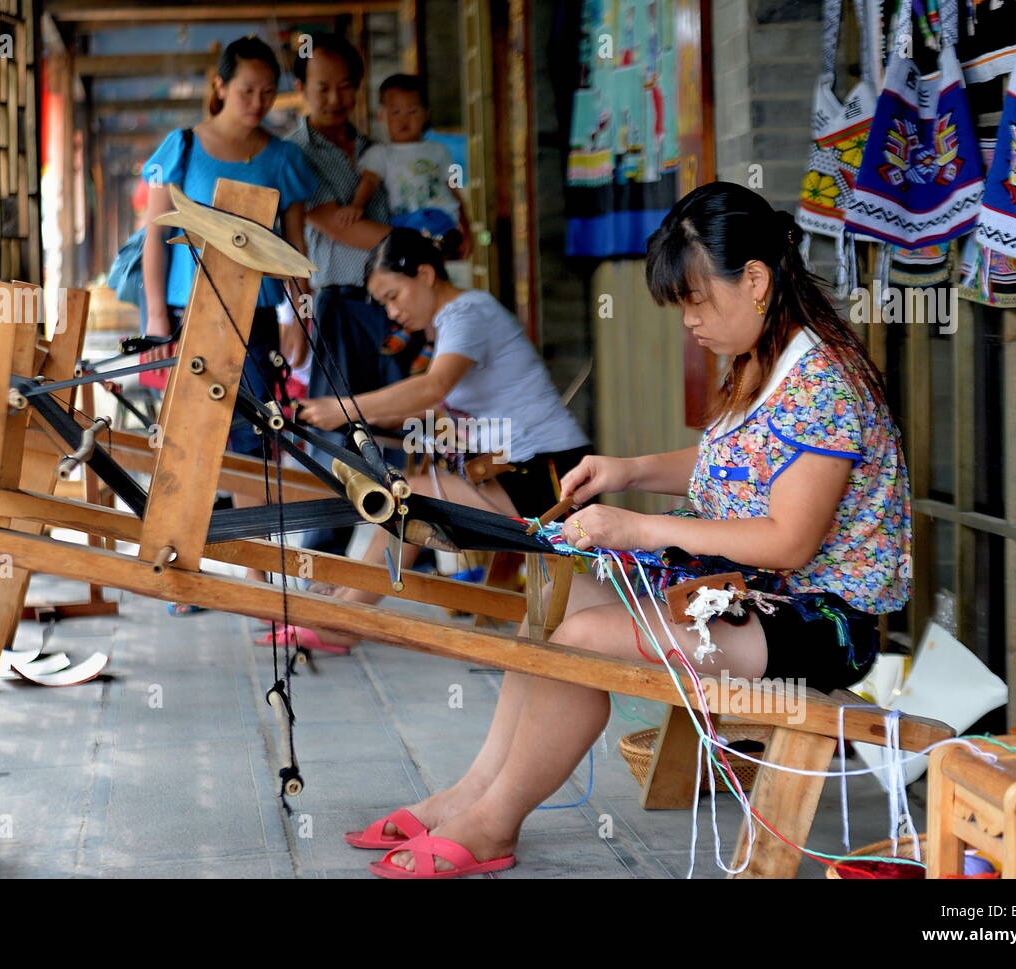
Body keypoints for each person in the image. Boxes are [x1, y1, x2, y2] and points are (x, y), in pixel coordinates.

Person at [352, 182, 913, 877]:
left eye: (696, 300)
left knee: (586, 641)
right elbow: (725, 468)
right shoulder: (766, 361)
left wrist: (639, 527)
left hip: (821, 619)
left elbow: (789, 542)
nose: (689, 322)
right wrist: (625, 469)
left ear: (757, 280)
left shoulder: (820, 382)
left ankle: (494, 824)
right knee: (550, 609)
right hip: (755, 592)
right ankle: (468, 794)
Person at [276, 228, 590, 653]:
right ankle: (346, 611)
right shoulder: (451, 324)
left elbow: (431, 387)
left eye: (393, 296)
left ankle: (346, 619)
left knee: (405, 502)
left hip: (551, 476)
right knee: (403, 499)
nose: (392, 312)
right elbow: (432, 408)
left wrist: (345, 408)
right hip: (531, 470)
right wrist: (343, 414)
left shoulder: (468, 313)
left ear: (424, 274)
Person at [139, 36, 317, 615]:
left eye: (269, 92)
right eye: (246, 89)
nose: (258, 101)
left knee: (252, 438)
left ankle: (254, 576)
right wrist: (156, 313)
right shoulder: (181, 147)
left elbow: (295, 249)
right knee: (188, 437)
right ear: (219, 87)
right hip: (190, 313)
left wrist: (296, 315)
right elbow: (154, 234)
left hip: (259, 315)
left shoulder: (283, 158)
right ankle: (178, 570)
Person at [287, 34, 426, 557]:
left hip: (397, 305)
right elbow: (335, 227)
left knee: (410, 420)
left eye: (347, 86)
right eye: (323, 86)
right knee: (339, 429)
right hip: (342, 303)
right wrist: (418, 248)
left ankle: (426, 554)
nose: (336, 97)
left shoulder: (376, 149)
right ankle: (322, 559)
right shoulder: (298, 154)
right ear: (301, 88)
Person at [338, 74, 472, 260]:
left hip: (442, 220)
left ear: (425, 114)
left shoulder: (439, 151)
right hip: (406, 222)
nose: (404, 119)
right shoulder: (380, 153)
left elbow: (453, 187)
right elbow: (369, 181)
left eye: (412, 112)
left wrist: (466, 224)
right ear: (381, 116)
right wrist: (356, 206)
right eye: (395, 112)